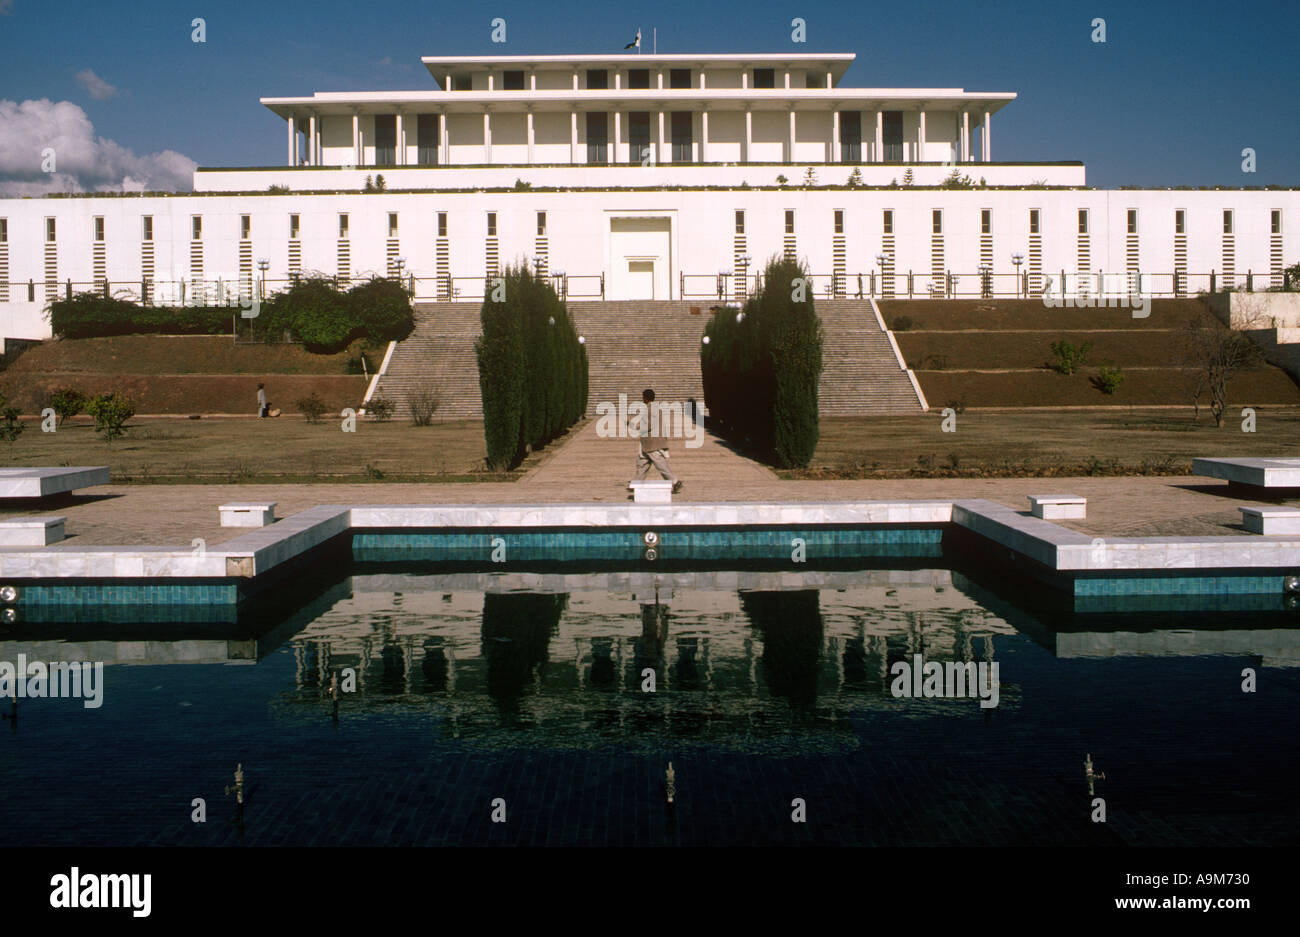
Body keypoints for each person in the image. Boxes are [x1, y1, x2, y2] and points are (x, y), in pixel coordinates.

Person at [629, 388, 682, 493]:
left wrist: (635, 426)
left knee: (659, 463)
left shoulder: (652, 409)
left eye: (643, 397)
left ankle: (674, 481)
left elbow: (649, 424)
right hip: (648, 443)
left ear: (646, 398)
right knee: (642, 463)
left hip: (652, 442)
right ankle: (636, 484)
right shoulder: (653, 408)